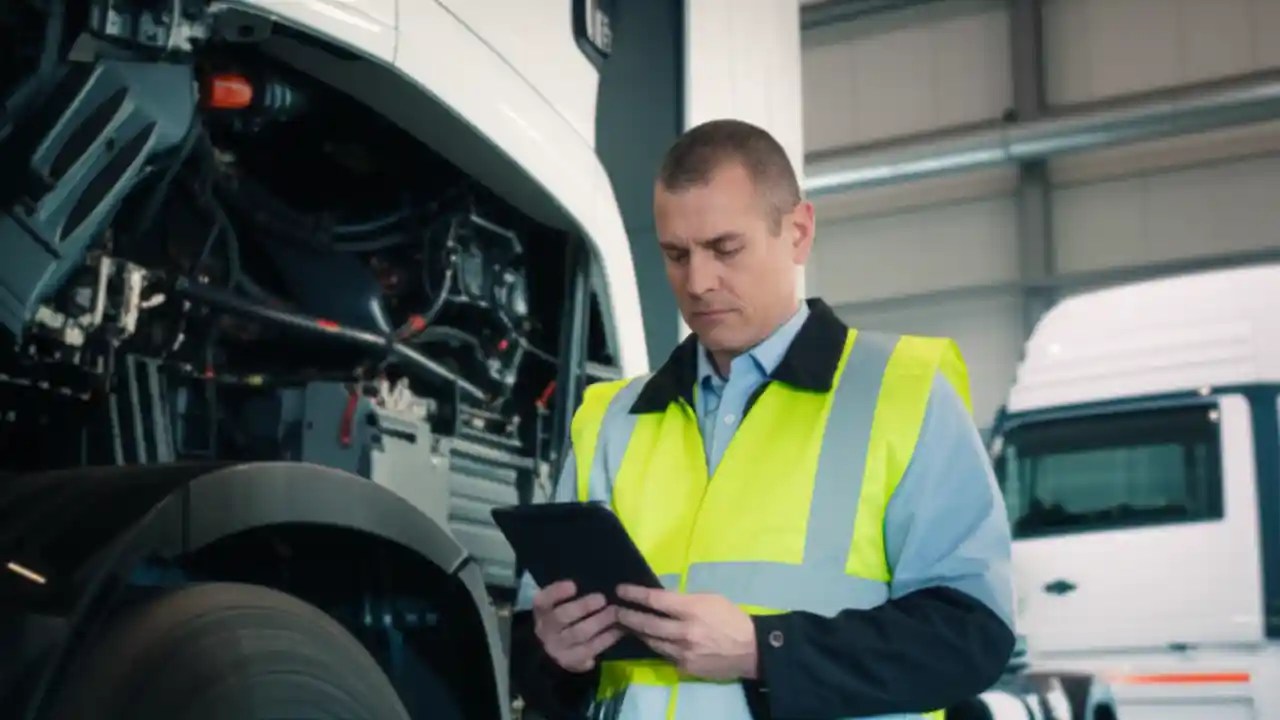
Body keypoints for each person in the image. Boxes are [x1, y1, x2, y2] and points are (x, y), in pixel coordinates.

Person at [509, 118, 1016, 720]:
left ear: (798, 232)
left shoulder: (904, 394)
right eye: (676, 254)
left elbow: (969, 637)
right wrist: (557, 658)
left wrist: (761, 649)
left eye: (725, 249)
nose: (698, 282)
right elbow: (539, 664)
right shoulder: (610, 421)